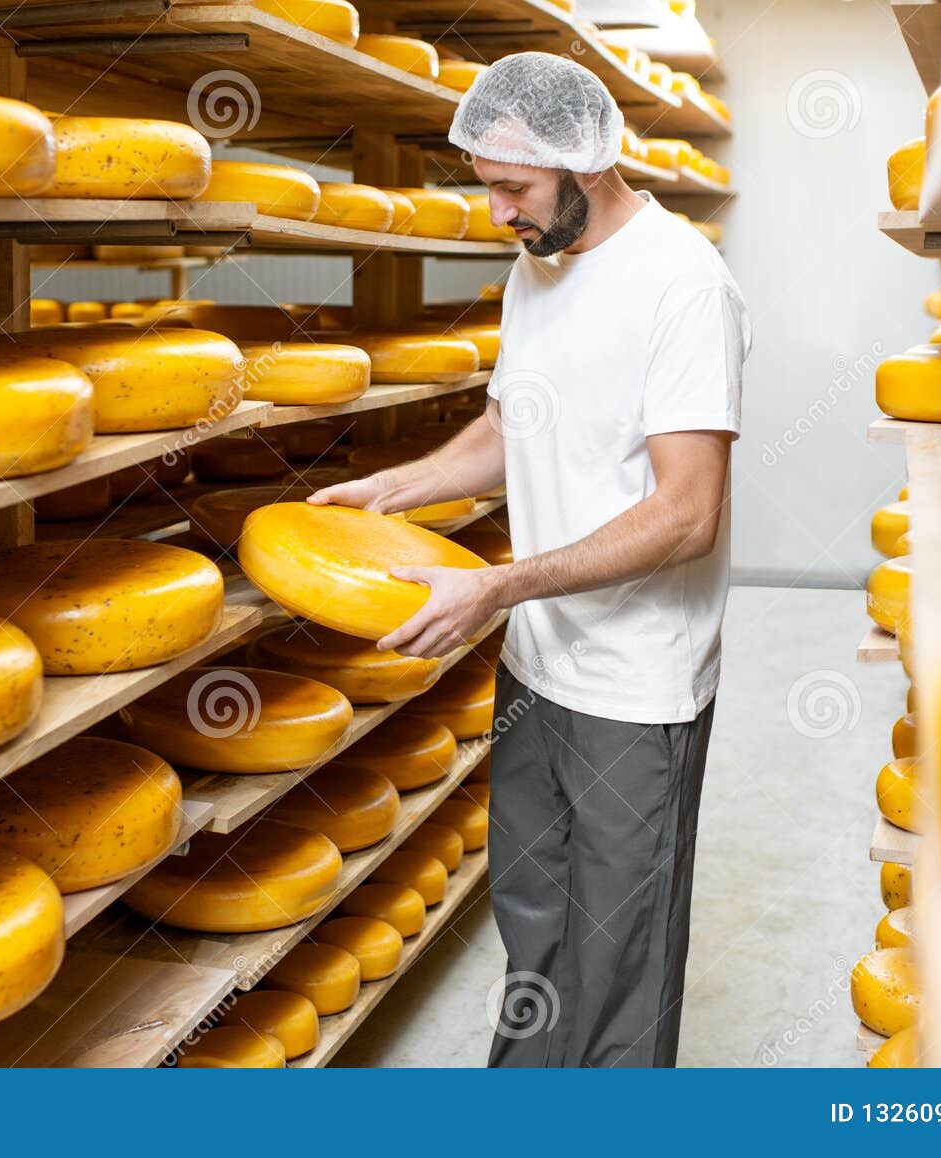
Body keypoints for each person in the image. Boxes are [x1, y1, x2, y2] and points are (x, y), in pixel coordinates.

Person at [306, 51, 752, 1067]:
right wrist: (394, 490)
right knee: (535, 923)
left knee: (615, 967)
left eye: (511, 187)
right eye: (486, 185)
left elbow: (686, 515)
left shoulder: (683, 286)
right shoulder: (534, 266)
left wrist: (499, 584)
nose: (497, 211)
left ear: (584, 162)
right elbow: (508, 430)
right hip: (538, 662)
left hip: (637, 688)